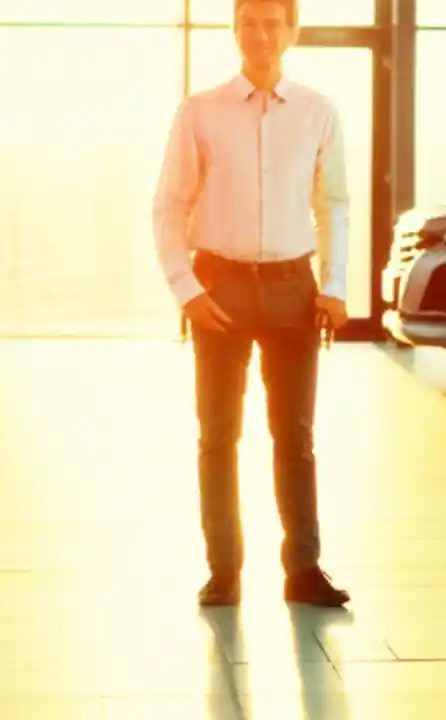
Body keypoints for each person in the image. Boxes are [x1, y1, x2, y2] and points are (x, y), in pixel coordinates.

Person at [152, 0, 351, 607]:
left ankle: (303, 571)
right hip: (220, 288)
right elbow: (169, 205)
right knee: (218, 436)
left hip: (295, 289)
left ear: (291, 32)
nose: (260, 34)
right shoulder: (200, 112)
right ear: (235, 30)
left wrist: (335, 285)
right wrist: (187, 290)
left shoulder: (318, 111)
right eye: (249, 22)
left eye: (272, 23)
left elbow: (334, 204)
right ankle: (224, 571)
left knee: (295, 437)